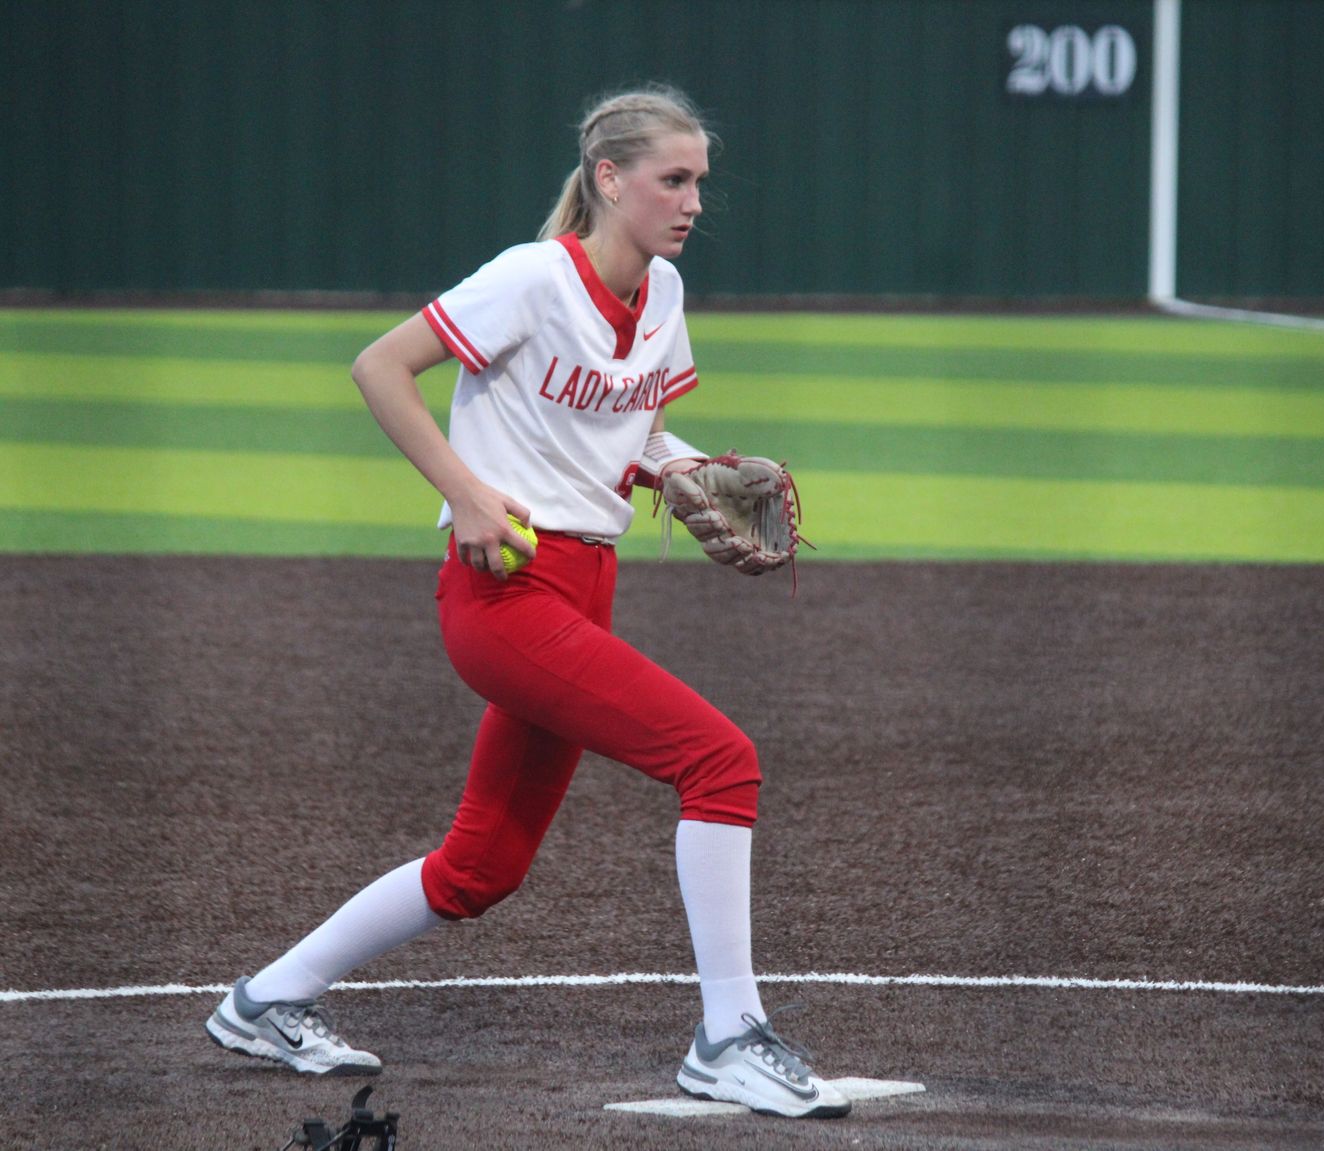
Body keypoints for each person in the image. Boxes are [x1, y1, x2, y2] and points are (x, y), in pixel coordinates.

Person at [203, 86, 851, 1120]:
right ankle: (728, 1034)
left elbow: (632, 433)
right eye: (671, 179)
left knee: (482, 866)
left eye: (698, 182)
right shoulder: (532, 278)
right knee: (719, 758)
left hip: (585, 595)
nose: (690, 201)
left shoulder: (665, 294)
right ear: (608, 178)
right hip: (507, 595)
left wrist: (686, 479)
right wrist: (461, 492)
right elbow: (381, 367)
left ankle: (265, 997)